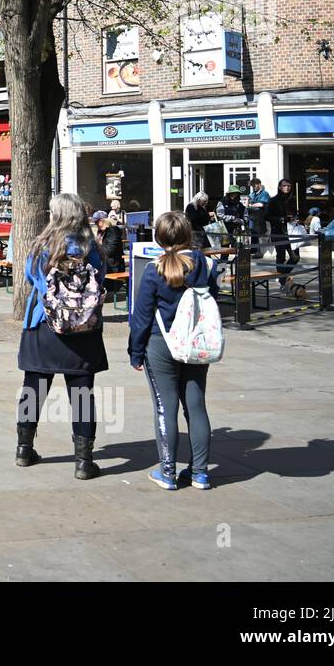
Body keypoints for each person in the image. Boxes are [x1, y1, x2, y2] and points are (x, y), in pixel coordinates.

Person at [15, 192, 108, 481]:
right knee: (81, 395)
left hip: (43, 324)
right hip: (82, 329)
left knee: (33, 388)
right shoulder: (91, 247)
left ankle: (24, 449)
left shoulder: (42, 245)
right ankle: (83, 461)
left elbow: (31, 277)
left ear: (55, 215)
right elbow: (102, 278)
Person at [128, 210, 218, 490]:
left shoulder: (155, 269)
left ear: (158, 237)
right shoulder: (206, 265)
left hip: (160, 342)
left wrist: (135, 351)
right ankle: (200, 472)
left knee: (165, 407)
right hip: (196, 343)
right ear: (188, 235)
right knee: (196, 404)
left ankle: (168, 471)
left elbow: (141, 316)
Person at [265, 179, 298, 270]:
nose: (287, 187)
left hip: (292, 232)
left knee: (295, 257)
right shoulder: (273, 200)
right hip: (279, 232)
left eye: (289, 186)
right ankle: (282, 280)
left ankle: (283, 277)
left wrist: (298, 219)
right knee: (281, 257)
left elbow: (299, 214)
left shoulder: (293, 200)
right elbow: (267, 216)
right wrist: (281, 219)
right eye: (284, 186)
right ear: (280, 187)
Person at [246, 177, 270, 246]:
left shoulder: (264, 193)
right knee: (253, 233)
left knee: (261, 234)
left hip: (261, 218)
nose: (253, 187)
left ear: (259, 184)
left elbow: (261, 204)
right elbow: (246, 206)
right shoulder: (252, 194)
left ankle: (260, 251)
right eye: (252, 186)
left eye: (254, 185)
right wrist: (247, 200)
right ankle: (254, 251)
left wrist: (251, 205)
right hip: (252, 218)